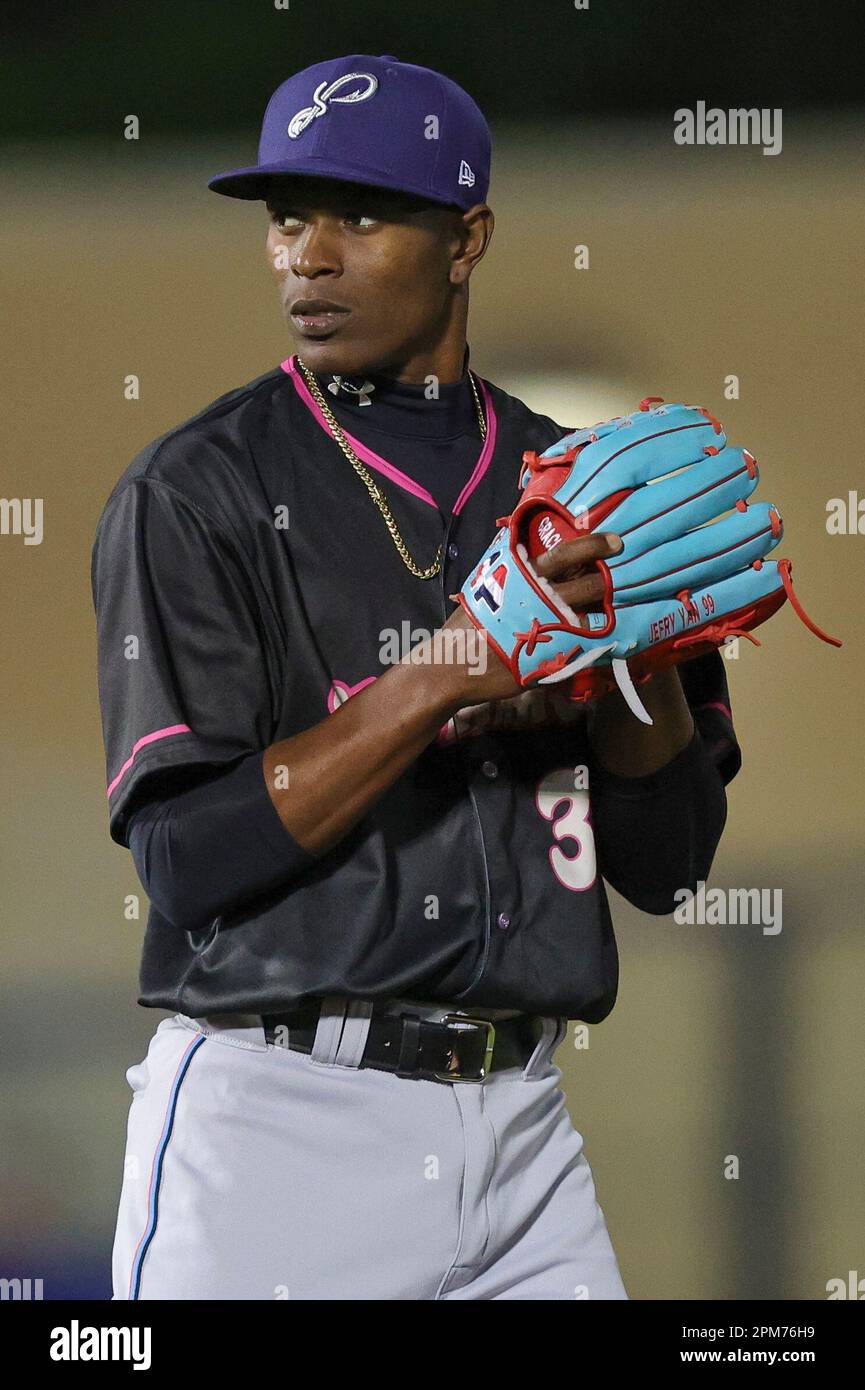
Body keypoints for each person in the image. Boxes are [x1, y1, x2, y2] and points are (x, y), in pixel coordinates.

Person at [92, 53, 738, 1301]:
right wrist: (449, 669)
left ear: (467, 237)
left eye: (363, 212)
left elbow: (670, 867)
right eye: (288, 217)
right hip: (280, 1123)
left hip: (527, 1129)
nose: (309, 255)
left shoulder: (588, 493)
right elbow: (183, 858)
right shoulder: (194, 492)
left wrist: (638, 672)